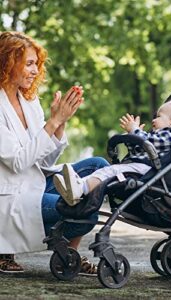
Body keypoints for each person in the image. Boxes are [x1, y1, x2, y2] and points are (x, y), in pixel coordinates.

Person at [0, 31, 109, 275]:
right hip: (9, 196)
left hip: (34, 183)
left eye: (36, 65)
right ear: (8, 62)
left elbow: (45, 160)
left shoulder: (29, 100)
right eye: (29, 64)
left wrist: (60, 124)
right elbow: (18, 162)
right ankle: (3, 250)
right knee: (83, 211)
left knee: (100, 167)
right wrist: (52, 122)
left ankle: (68, 256)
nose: (35, 71)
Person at [54, 100, 171, 206]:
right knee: (108, 171)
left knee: (109, 172)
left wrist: (135, 130)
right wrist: (134, 135)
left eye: (159, 116)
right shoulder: (163, 136)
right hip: (143, 167)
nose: (154, 119)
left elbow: (150, 143)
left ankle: (81, 188)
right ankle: (78, 185)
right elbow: (139, 149)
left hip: (147, 170)